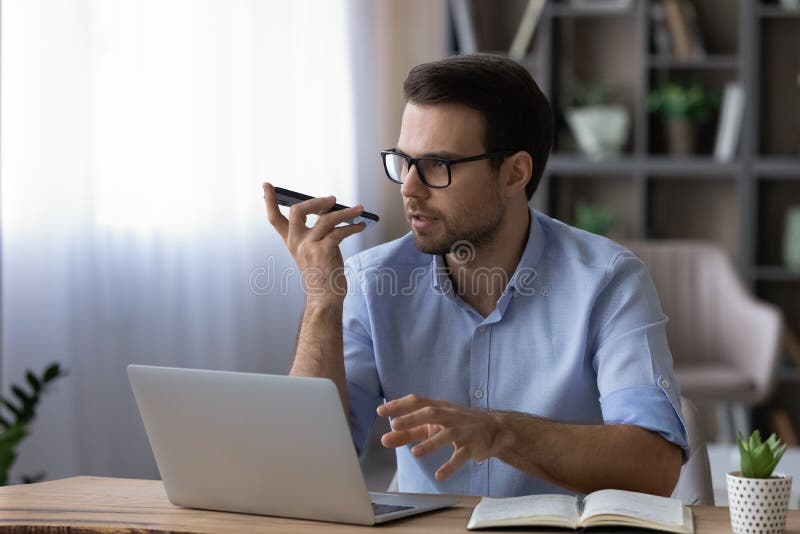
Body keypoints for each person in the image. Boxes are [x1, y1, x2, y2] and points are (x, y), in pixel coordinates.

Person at [262, 54, 687, 498]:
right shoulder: (371, 283)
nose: (409, 187)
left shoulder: (608, 281)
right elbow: (305, 464)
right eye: (404, 161)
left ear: (514, 173)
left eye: (437, 165)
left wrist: (499, 431)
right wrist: (321, 300)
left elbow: (654, 464)